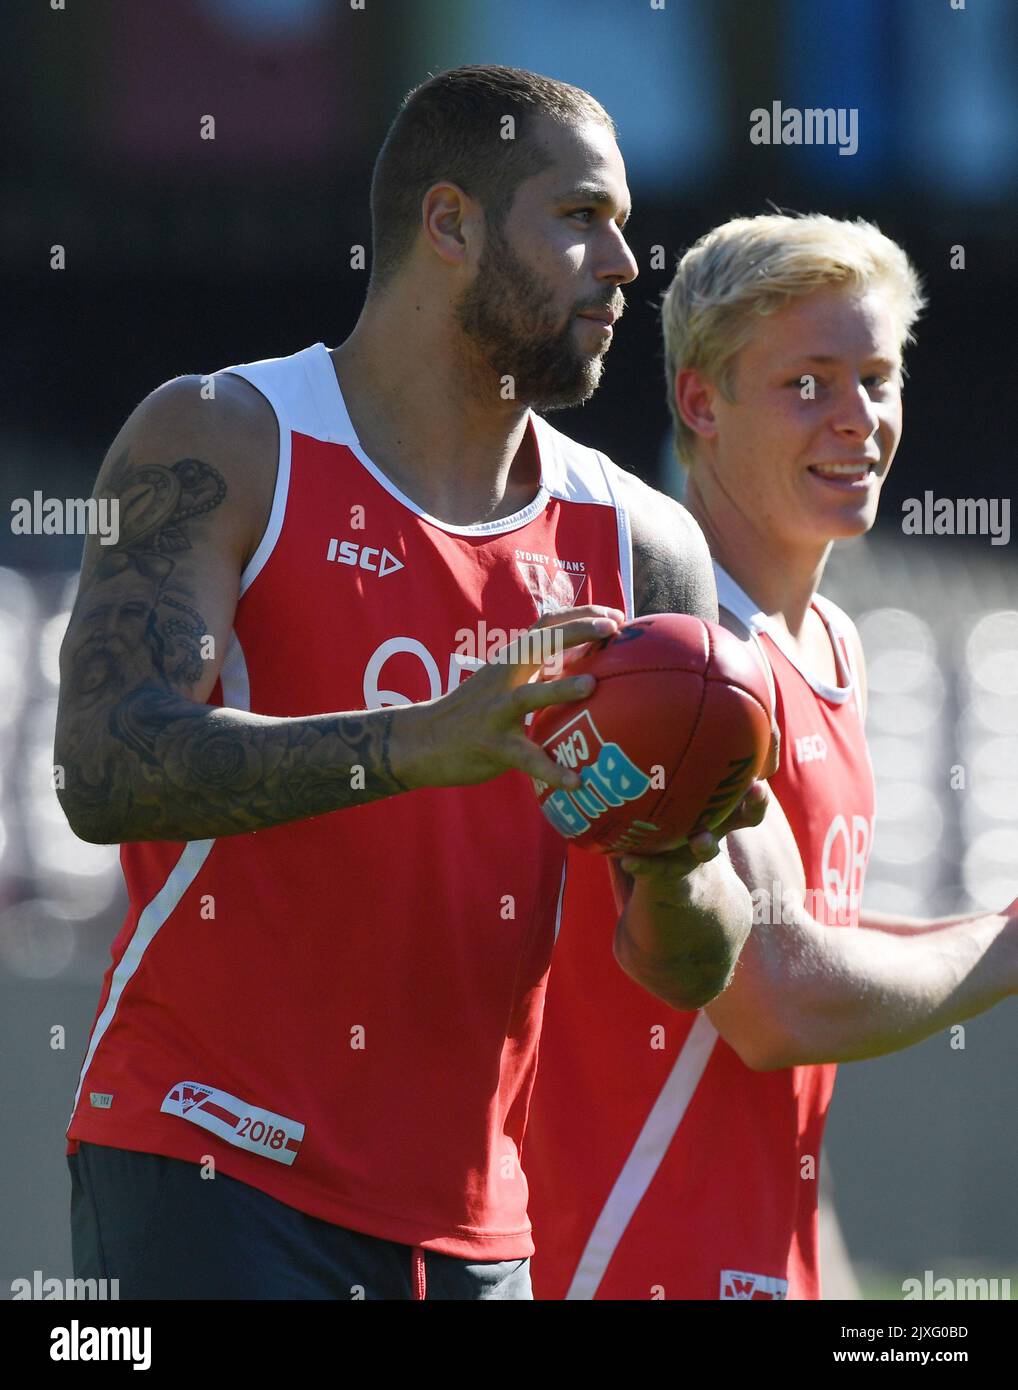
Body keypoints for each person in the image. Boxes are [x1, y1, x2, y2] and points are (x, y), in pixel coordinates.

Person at [53, 66, 766, 1301]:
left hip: (476, 1229)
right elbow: (104, 764)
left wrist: (673, 852)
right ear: (449, 223)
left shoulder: (646, 545)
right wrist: (411, 742)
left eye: (625, 224)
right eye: (581, 216)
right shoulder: (222, 434)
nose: (624, 261)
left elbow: (687, 965)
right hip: (208, 1155)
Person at [524, 212, 1018, 1301]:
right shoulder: (674, 660)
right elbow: (779, 1002)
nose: (859, 421)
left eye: (877, 379)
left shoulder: (826, 643)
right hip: (614, 1264)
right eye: (810, 384)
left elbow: (809, 989)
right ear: (700, 401)